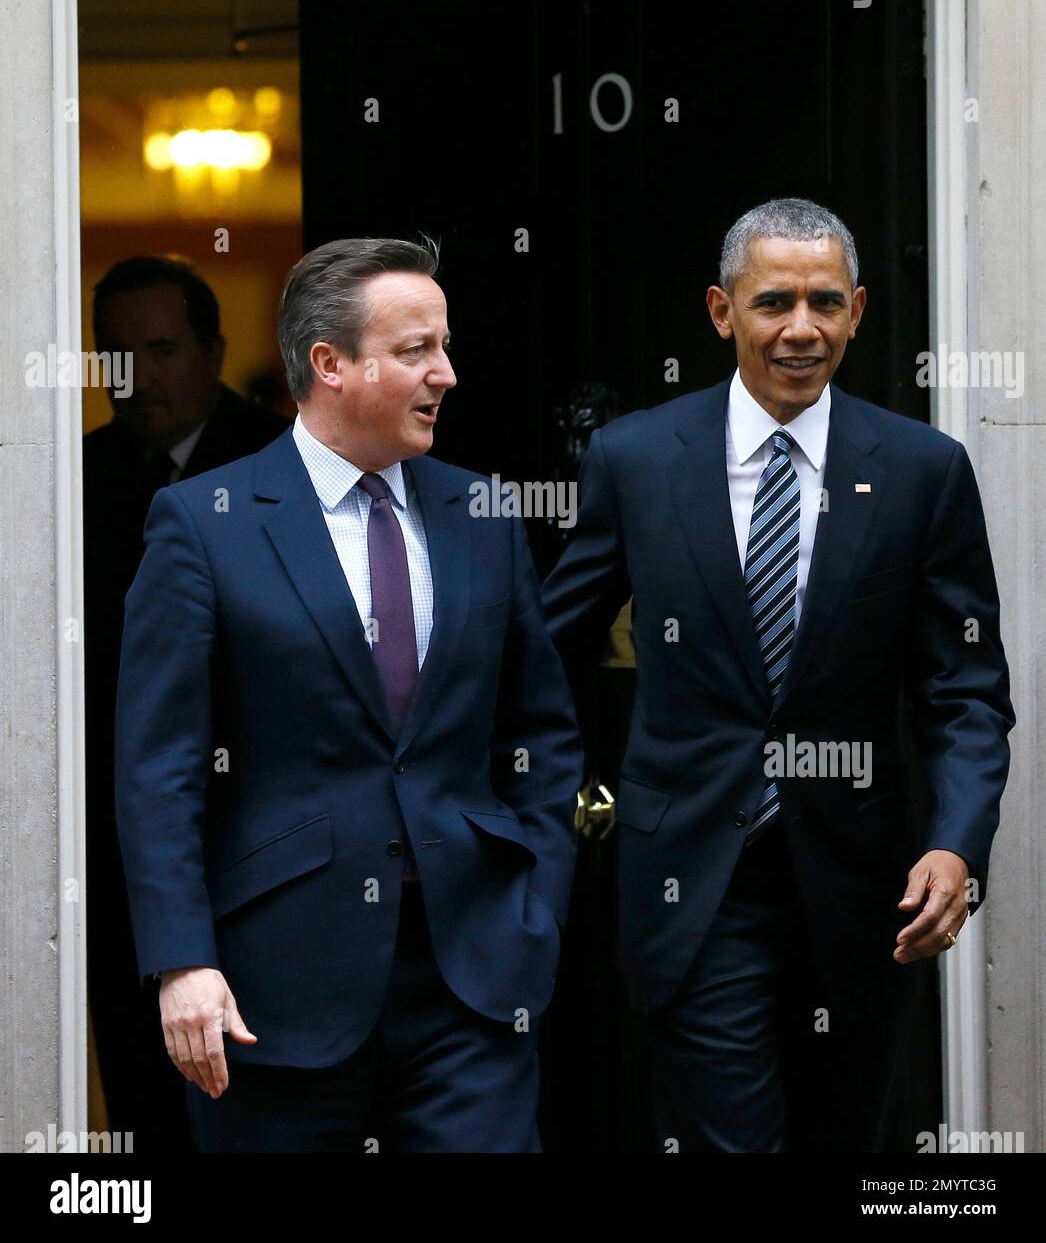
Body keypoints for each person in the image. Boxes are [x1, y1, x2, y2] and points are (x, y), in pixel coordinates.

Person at [542, 198, 1014, 1152]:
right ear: (723, 313)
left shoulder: (924, 470)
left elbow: (963, 689)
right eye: (773, 304)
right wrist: (551, 799)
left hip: (861, 891)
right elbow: (551, 650)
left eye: (825, 303)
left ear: (859, 311)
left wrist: (957, 846)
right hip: (695, 885)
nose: (801, 330)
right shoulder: (636, 460)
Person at [115, 237, 581, 1152]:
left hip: (473, 983)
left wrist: (537, 909)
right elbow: (158, 768)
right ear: (328, 364)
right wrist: (182, 961)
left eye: (443, 347)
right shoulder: (204, 525)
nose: (446, 374)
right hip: (272, 993)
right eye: (416, 351)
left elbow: (542, 732)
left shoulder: (483, 513)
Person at [83, 255, 288, 1151]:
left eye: (162, 349)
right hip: (115, 825)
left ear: (215, 351)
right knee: (138, 1083)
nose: (139, 378)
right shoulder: (67, 479)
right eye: (116, 356)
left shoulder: (280, 462)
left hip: (268, 820)